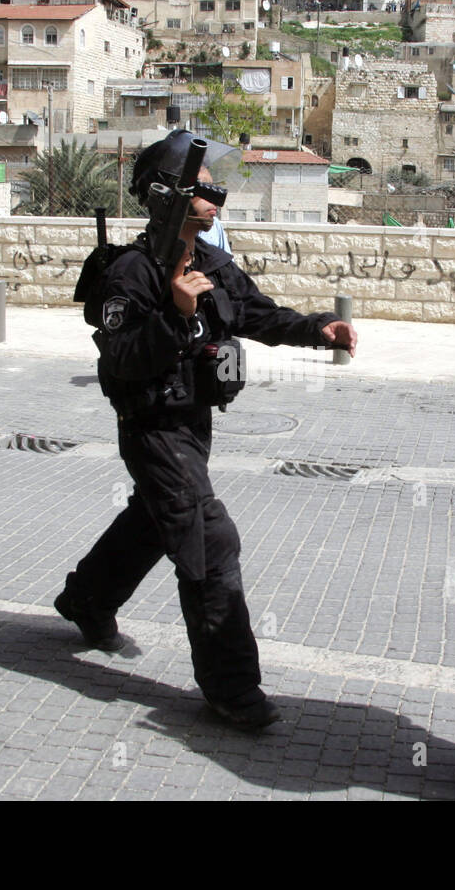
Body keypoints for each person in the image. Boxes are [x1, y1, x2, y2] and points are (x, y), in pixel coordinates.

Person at [57, 129, 358, 728]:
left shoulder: (212, 263)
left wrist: (317, 328)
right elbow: (120, 360)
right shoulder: (134, 273)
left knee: (155, 517)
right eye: (201, 186)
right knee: (206, 534)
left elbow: (256, 313)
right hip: (150, 426)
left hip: (194, 422)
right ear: (167, 195)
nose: (215, 193)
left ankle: (87, 599)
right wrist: (177, 314)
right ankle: (231, 687)